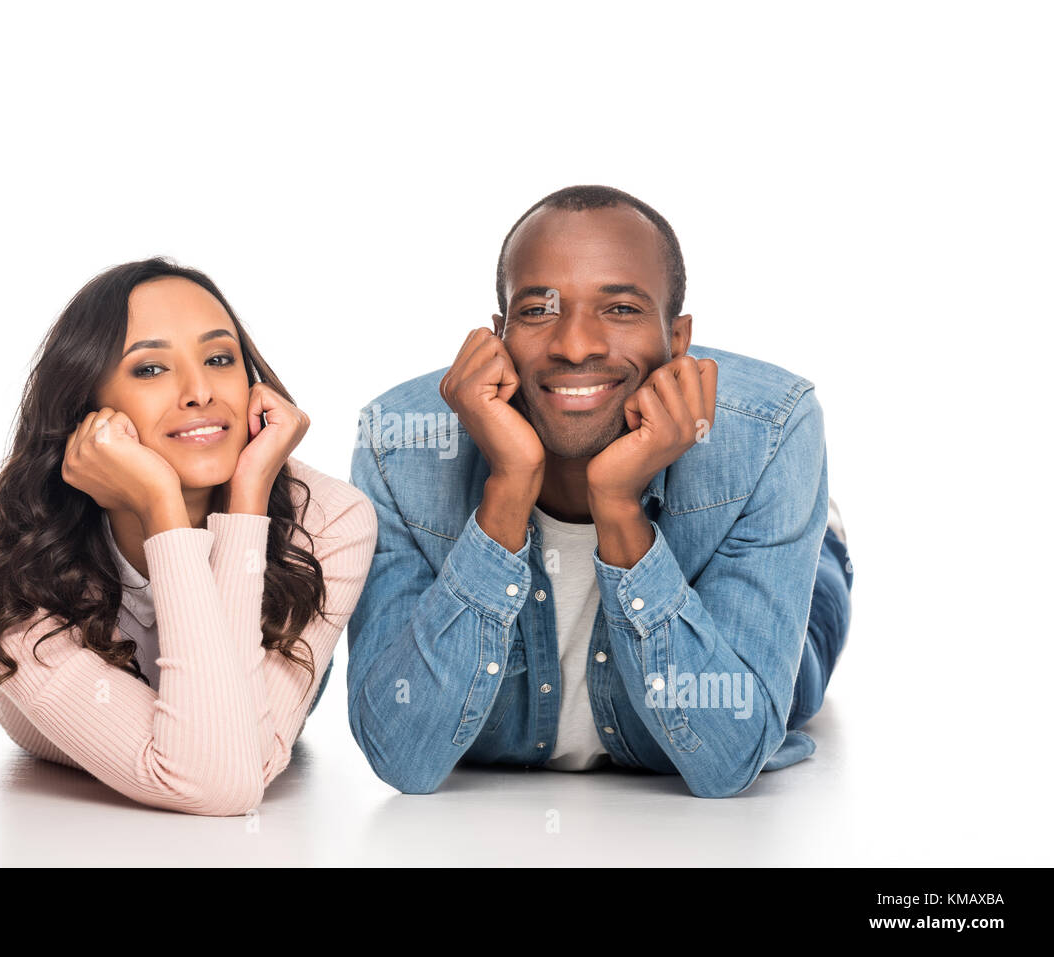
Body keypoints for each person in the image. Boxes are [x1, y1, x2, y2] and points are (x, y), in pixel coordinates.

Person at [346, 186, 854, 798]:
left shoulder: (770, 432)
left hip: (753, 536)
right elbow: (401, 754)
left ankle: (817, 533)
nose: (575, 345)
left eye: (620, 310)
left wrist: (615, 505)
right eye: (538, 311)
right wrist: (507, 488)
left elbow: (727, 759)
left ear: (679, 337)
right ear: (498, 332)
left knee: (800, 679)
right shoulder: (398, 444)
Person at [0, 258, 375, 816]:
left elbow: (231, 773)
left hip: (260, 660)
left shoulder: (331, 519)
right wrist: (161, 507)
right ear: (85, 408)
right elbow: (218, 782)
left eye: (220, 359)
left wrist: (245, 502)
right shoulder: (2, 591)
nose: (200, 391)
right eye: (150, 369)